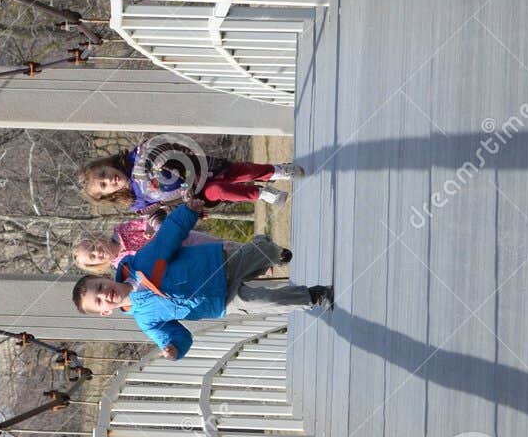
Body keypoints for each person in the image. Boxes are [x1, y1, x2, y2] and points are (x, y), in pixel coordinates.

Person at [70, 198, 332, 360]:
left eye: (100, 287)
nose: (104, 294)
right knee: (267, 302)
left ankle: (267, 249)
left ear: (105, 278)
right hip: (220, 302)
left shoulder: (140, 264)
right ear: (105, 312)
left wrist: (187, 212)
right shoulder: (146, 320)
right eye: (99, 300)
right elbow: (177, 336)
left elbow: (167, 238)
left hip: (218, 262)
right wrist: (174, 350)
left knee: (260, 254)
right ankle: (313, 296)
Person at [75, 138, 304, 211]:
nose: (109, 179)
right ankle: (261, 193)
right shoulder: (135, 201)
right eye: (104, 185)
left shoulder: (136, 157)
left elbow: (159, 144)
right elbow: (155, 213)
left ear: (106, 164)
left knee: (241, 172)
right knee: (220, 190)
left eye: (103, 173)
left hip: (197, 167)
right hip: (194, 192)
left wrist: (160, 156)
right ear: (108, 195)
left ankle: (277, 171)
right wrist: (157, 226)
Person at [72, 210, 221, 273]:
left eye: (93, 247)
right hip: (178, 260)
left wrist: (151, 228)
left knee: (220, 247)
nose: (97, 252)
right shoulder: (123, 268)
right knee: (214, 263)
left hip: (182, 239)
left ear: (97, 238)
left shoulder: (122, 231)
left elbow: (147, 220)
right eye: (92, 257)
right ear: (96, 266)